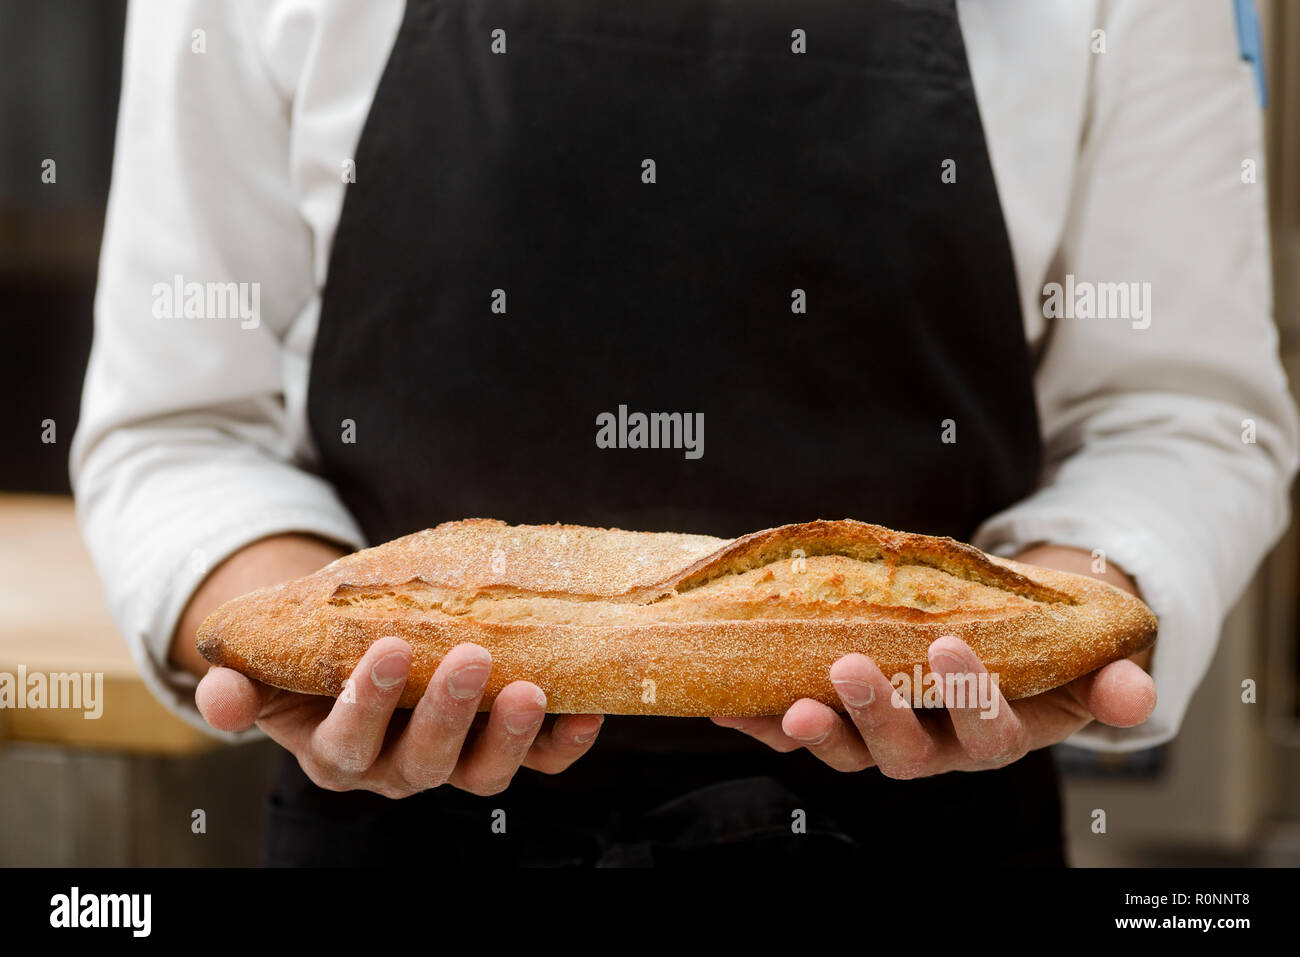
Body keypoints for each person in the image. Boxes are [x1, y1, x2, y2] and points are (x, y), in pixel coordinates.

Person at [73, 0, 1298, 866]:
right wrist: (301, 632)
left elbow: (1184, 415)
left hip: (930, 823)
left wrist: (1060, 613)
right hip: (390, 826)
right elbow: (178, 424)